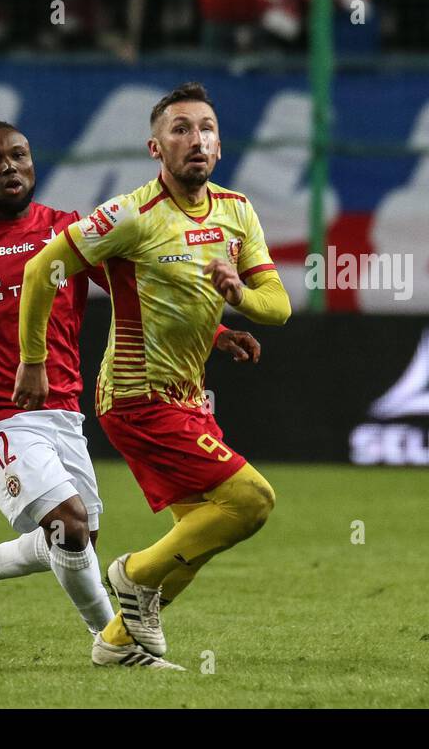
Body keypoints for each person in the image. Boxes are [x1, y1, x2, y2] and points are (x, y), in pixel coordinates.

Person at [0, 120, 255, 667]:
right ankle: (116, 644)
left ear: (33, 161)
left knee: (76, 543)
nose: (9, 168)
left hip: (64, 410)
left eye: (18, 156)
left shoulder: (67, 232)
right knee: (68, 525)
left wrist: (215, 332)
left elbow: (135, 293)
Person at [15, 81, 289, 669]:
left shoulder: (237, 211)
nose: (197, 139)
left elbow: (280, 305)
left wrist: (238, 297)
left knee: (197, 534)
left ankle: (116, 645)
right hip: (136, 396)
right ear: (155, 147)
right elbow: (42, 271)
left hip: (188, 397)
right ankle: (132, 575)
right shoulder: (130, 215)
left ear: (219, 144)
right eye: (181, 129)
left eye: (207, 128)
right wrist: (32, 360)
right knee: (252, 501)